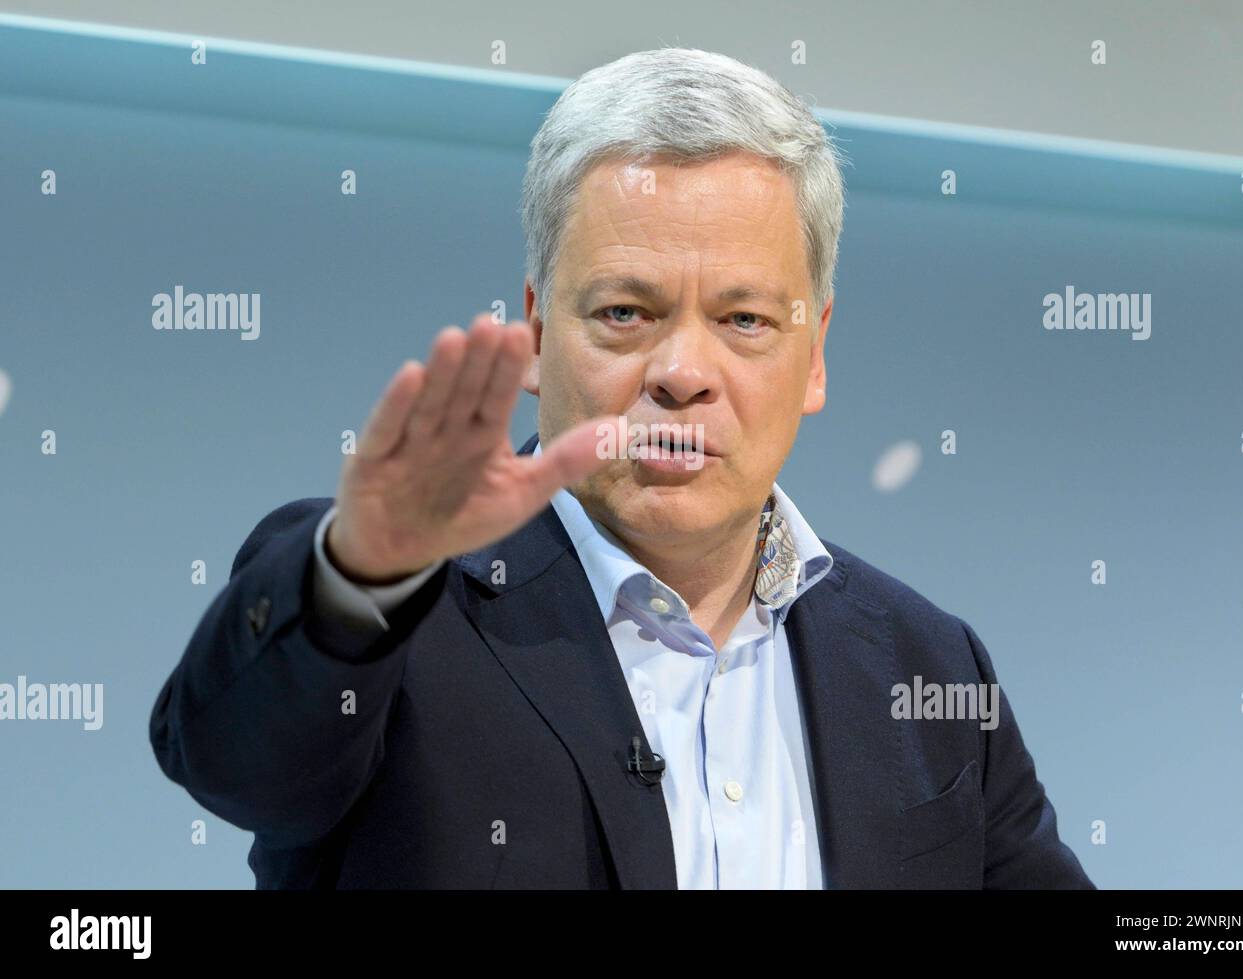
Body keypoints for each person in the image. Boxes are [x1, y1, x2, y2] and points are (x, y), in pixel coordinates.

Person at [149, 47, 1093, 889]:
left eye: (744, 320)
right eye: (626, 313)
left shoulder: (927, 661)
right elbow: (232, 762)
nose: (682, 374)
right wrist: (359, 571)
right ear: (536, 330)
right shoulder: (385, 607)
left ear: (813, 357)